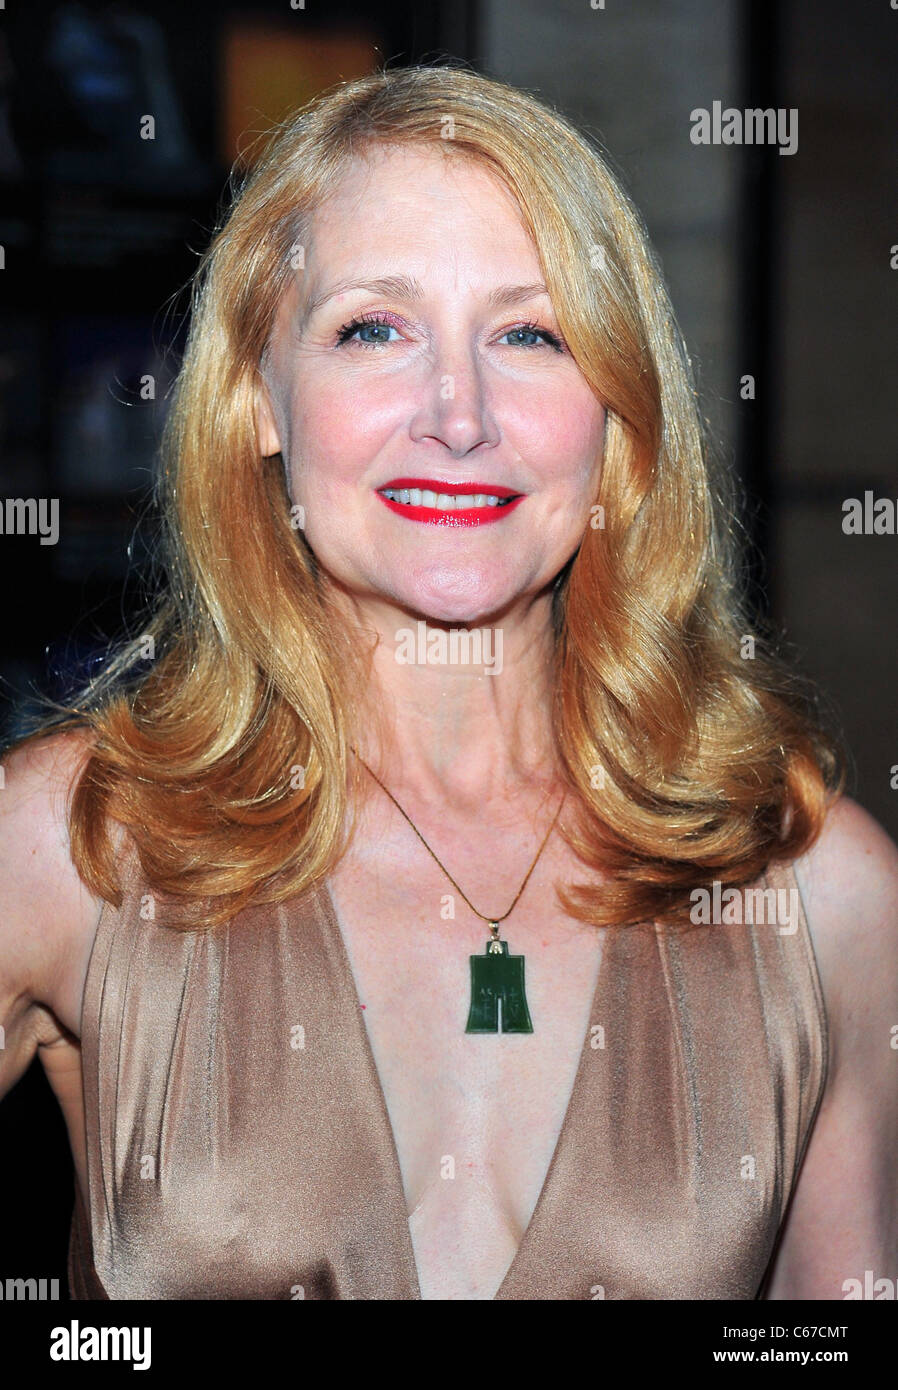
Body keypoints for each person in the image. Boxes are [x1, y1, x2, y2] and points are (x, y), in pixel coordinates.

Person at [1, 62, 896, 1301]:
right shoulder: (69, 845)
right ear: (259, 397)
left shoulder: (816, 894)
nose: (458, 414)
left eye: (529, 335)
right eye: (374, 328)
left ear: (617, 420)